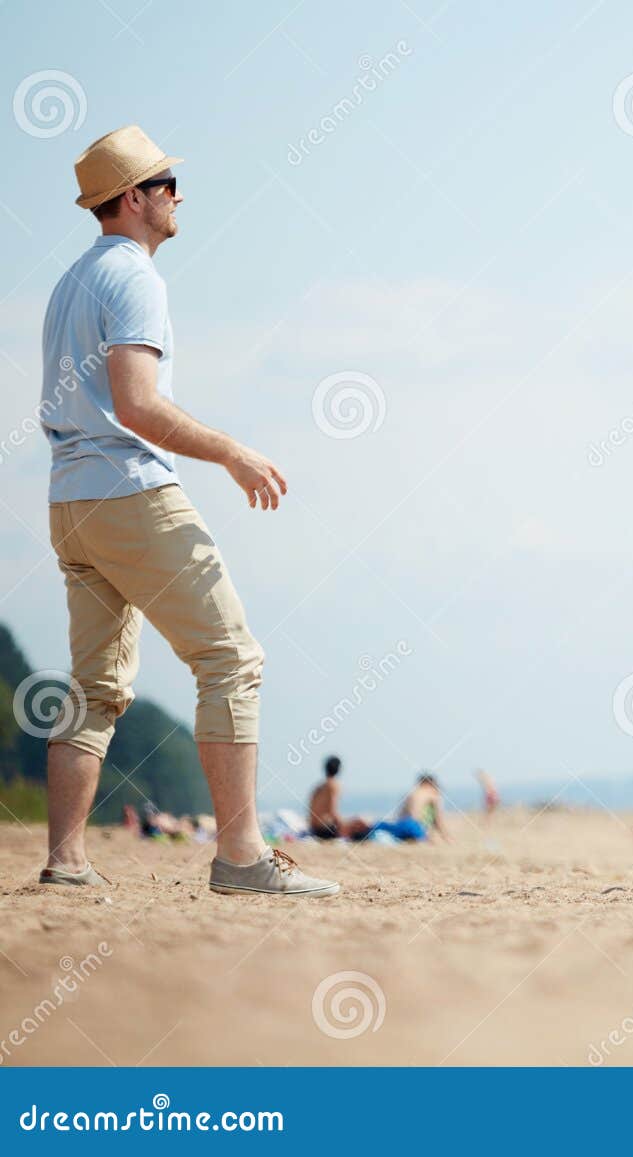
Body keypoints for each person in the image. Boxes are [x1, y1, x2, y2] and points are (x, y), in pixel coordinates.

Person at [37, 126, 335, 898]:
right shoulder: (135, 278)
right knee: (232, 660)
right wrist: (231, 451)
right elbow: (136, 405)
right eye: (166, 183)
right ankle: (241, 856)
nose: (178, 196)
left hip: (69, 499)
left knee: (95, 687)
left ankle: (66, 862)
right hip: (128, 492)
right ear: (133, 199)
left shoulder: (72, 281)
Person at [368, 773, 448, 842]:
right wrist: (446, 837)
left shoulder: (412, 793)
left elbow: (400, 815)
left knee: (379, 826)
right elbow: (438, 819)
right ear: (430, 784)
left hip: (402, 824)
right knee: (411, 834)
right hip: (413, 826)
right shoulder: (433, 794)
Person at [308, 756, 346, 840]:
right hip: (325, 830)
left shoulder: (318, 787)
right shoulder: (333, 785)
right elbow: (332, 811)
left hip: (313, 828)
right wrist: (344, 825)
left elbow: (310, 808)